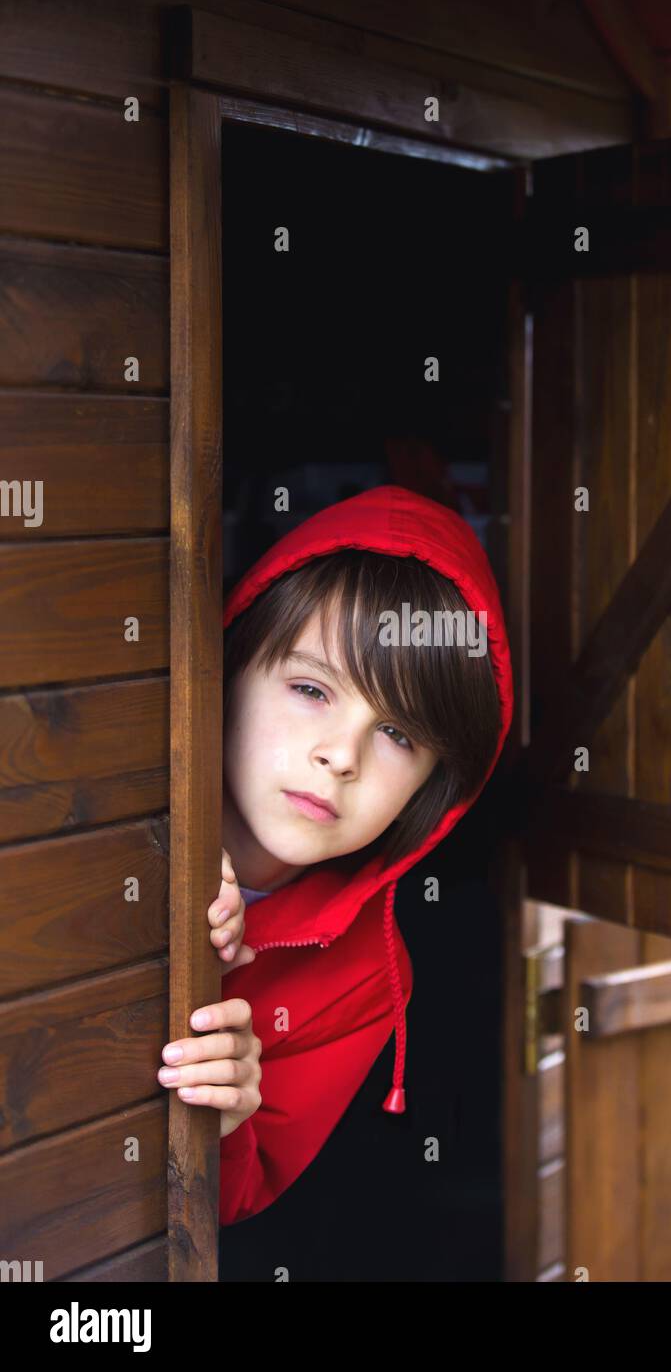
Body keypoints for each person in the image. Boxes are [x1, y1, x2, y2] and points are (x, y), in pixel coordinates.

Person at [156, 484, 513, 1227]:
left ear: (434, 787)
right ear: (226, 671)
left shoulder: (365, 981)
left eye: (399, 736)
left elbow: (240, 1197)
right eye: (312, 689)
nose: (340, 756)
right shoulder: (109, 800)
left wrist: (223, 1117)